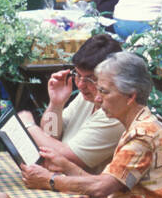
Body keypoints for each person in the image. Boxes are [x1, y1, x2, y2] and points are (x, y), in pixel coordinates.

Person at [20, 51, 162, 198]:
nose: (97, 98)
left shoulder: (143, 133)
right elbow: (102, 182)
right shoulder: (134, 123)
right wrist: (65, 165)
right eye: (77, 76)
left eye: (104, 92)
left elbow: (102, 187)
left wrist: (49, 180)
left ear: (130, 96)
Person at [17, 33, 126, 174]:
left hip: (87, 192)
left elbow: (67, 158)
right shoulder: (87, 96)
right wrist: (56, 104)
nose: (80, 85)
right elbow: (50, 134)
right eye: (78, 75)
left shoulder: (115, 113)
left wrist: (28, 126)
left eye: (90, 79)